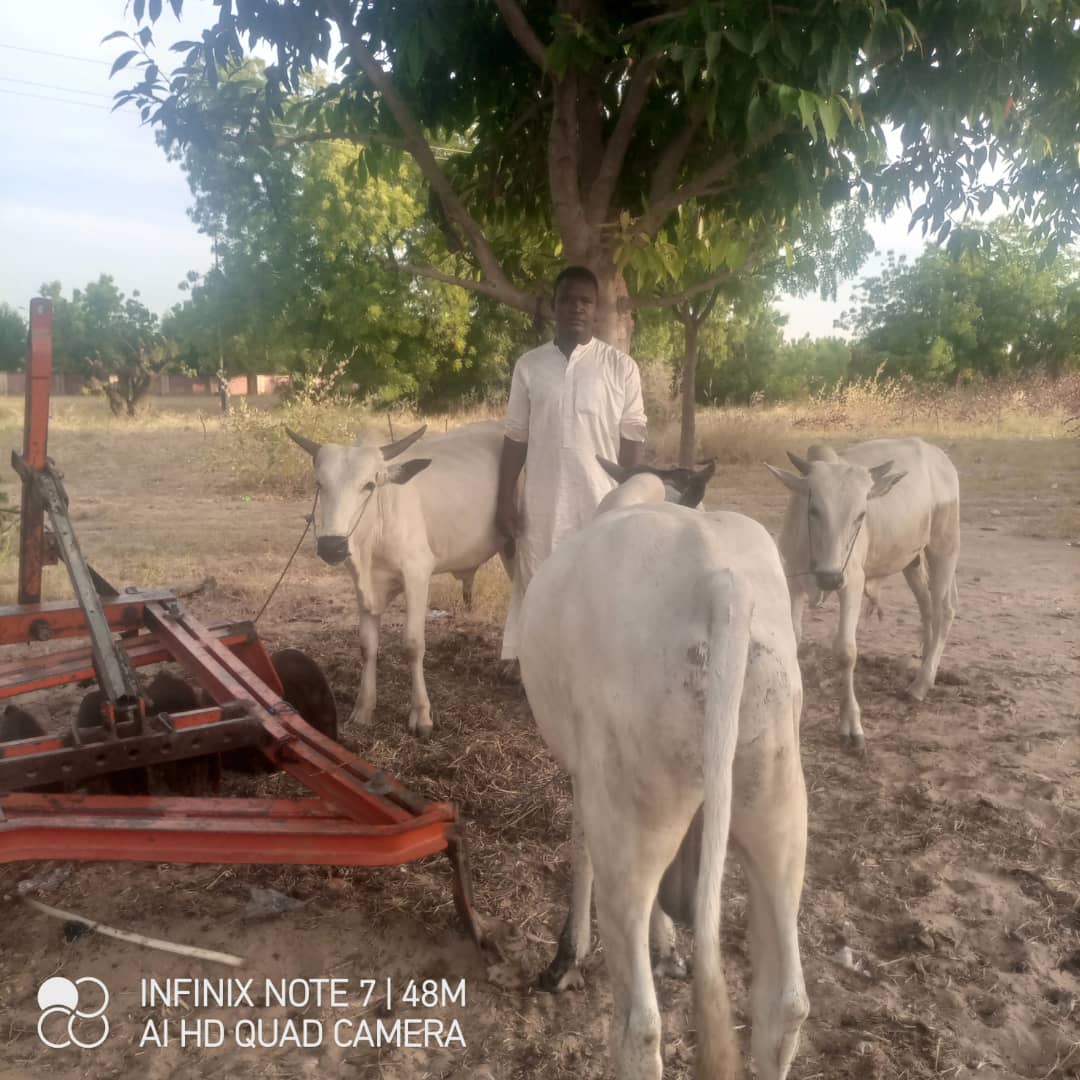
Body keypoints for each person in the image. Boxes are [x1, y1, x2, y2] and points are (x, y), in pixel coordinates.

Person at [496, 265, 648, 661]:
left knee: (600, 587)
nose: (576, 308)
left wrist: (628, 498)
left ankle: (595, 671)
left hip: (601, 501)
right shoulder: (529, 366)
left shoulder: (620, 367)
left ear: (596, 309)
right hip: (542, 502)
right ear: (553, 306)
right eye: (567, 300)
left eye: (585, 301)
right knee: (541, 586)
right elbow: (515, 437)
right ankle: (541, 673)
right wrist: (504, 501)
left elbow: (632, 438)